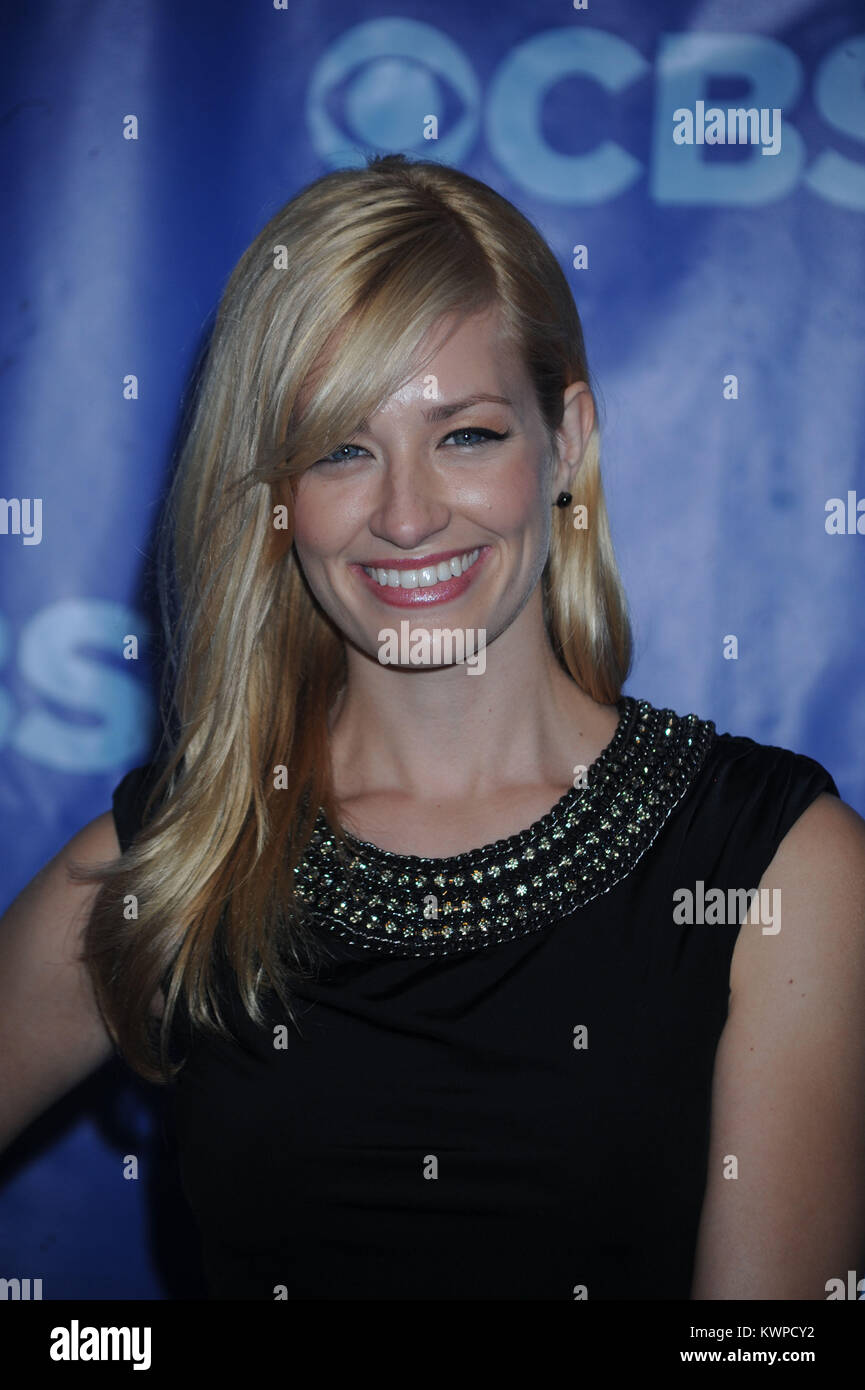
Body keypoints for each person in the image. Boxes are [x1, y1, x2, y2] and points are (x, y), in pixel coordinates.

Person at [1, 153, 864, 1302]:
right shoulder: (180, 855)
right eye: (341, 449)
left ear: (565, 442)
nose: (406, 516)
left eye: (465, 435)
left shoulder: (779, 866)